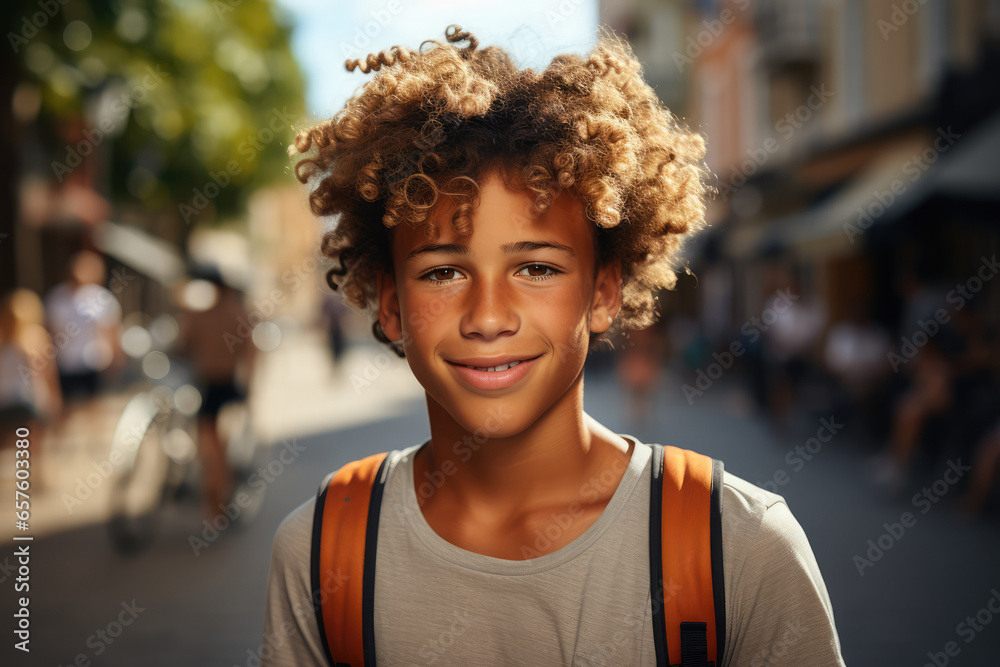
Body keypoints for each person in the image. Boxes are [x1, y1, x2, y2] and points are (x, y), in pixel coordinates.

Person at [262, 25, 845, 666]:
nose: (488, 318)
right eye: (443, 271)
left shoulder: (740, 546)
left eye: (536, 268)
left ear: (602, 293)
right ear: (394, 304)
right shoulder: (321, 551)